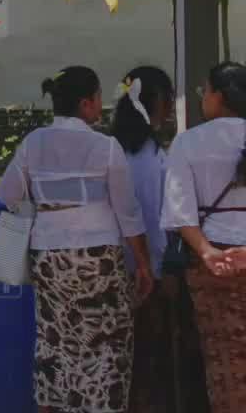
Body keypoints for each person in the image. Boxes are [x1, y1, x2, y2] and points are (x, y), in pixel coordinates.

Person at [0, 66, 153, 413]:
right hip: (98, 258)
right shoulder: (106, 147)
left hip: (48, 257)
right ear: (86, 103)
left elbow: (6, 192)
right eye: (98, 98)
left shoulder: (33, 143)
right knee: (106, 344)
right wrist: (143, 265)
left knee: (55, 342)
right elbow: (128, 214)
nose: (101, 106)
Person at [163, 62, 246, 413]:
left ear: (219, 96)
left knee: (224, 362)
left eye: (204, 91)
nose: (202, 99)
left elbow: (179, 211)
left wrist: (208, 252)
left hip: (212, 265)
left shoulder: (188, 143)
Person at [113, 66, 186, 413]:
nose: (172, 106)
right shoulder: (154, 159)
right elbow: (159, 223)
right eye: (169, 98)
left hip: (114, 274)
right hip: (148, 276)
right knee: (149, 365)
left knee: (119, 365)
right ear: (155, 101)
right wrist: (160, 271)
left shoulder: (113, 151)